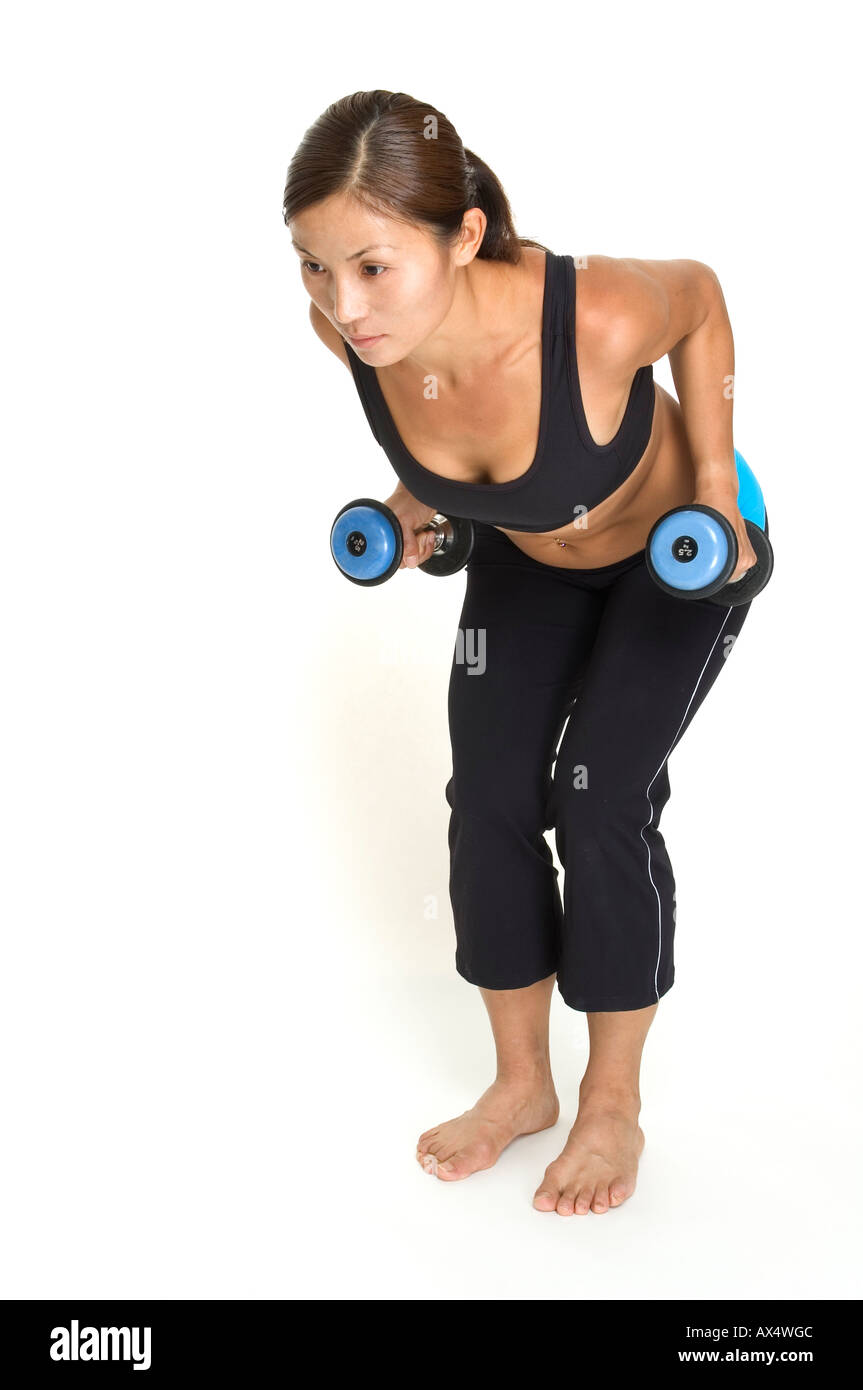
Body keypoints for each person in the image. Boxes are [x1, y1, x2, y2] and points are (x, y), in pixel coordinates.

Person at [283, 90, 764, 1218]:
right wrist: (411, 514)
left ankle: (610, 1105)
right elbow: (459, 447)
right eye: (311, 266)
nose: (342, 304)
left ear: (460, 235)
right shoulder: (352, 333)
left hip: (673, 558)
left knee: (596, 800)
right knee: (488, 796)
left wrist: (708, 493)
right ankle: (519, 1087)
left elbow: (699, 300)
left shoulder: (588, 315)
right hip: (526, 561)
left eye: (370, 265)